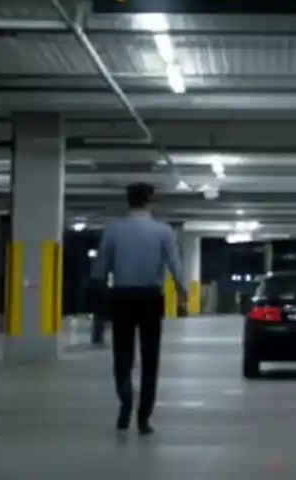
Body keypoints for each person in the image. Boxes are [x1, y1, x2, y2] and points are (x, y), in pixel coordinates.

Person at [92, 182, 187, 435]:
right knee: (150, 357)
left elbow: (100, 267)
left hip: (121, 296)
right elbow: (175, 265)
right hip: (150, 297)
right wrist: (182, 291)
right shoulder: (163, 231)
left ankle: (125, 402)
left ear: (128, 201)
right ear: (151, 202)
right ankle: (144, 417)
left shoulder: (113, 230)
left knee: (122, 354)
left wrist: (99, 292)